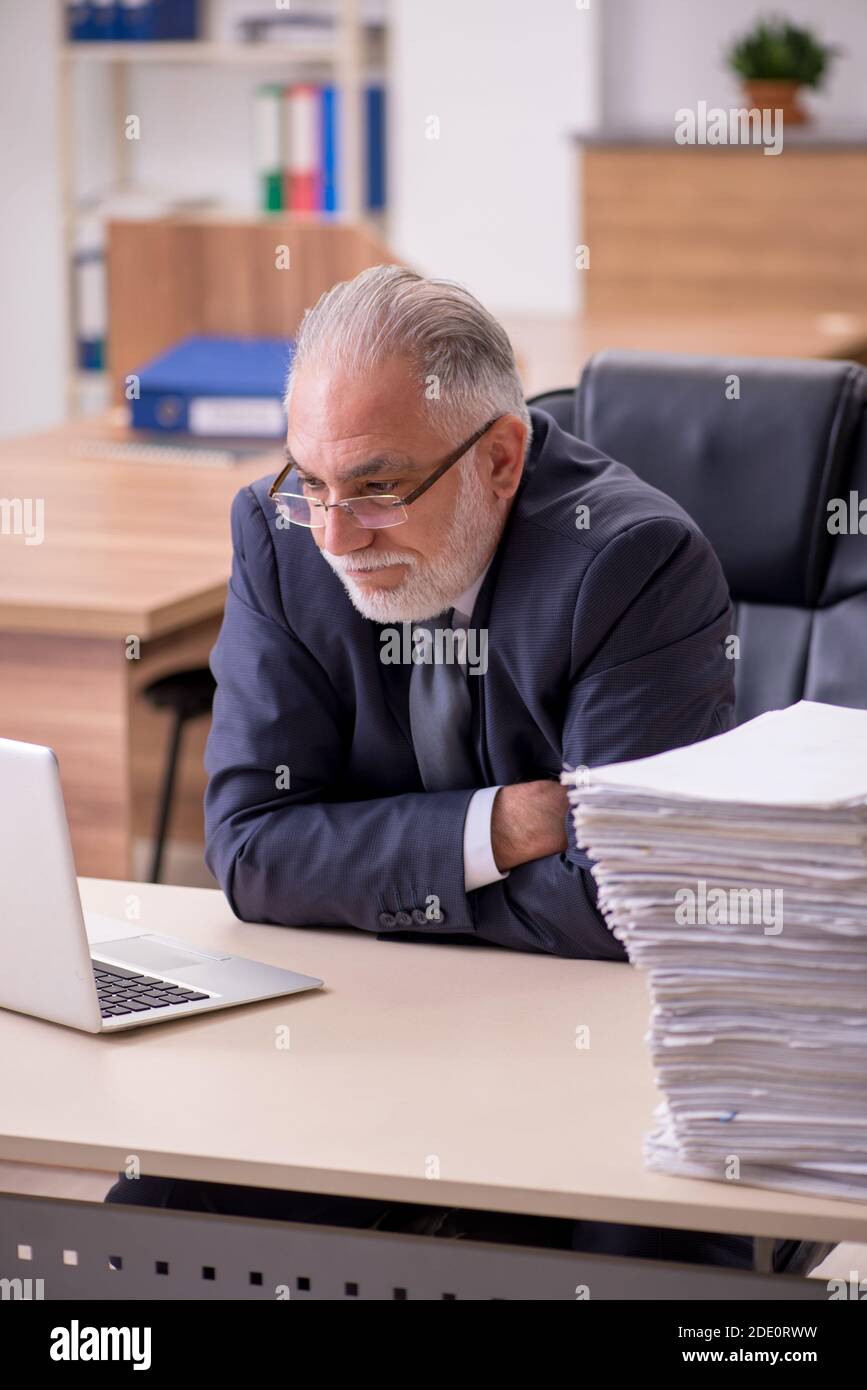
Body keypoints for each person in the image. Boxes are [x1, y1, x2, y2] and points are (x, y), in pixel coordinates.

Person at [107, 266, 828, 1276]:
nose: (336, 534)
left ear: (498, 459)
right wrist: (503, 828)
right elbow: (252, 850)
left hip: (600, 1062)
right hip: (369, 1026)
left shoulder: (634, 562)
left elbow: (628, 899)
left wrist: (360, 866)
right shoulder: (283, 539)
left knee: (631, 1255)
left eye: (377, 486)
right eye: (310, 480)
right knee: (143, 1225)